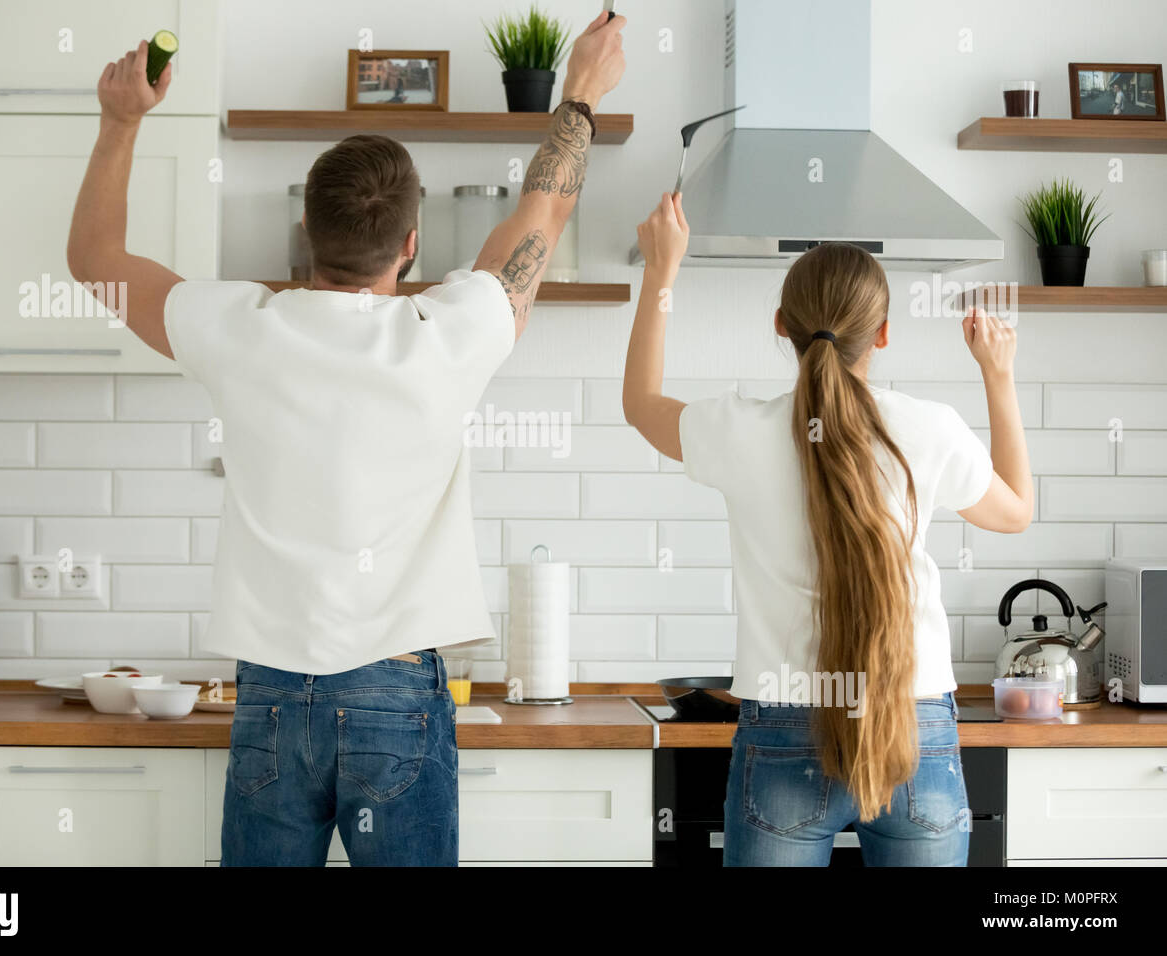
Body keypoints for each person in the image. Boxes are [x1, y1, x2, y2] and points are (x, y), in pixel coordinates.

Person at [65, 13, 626, 866]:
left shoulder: (238, 328)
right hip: (396, 697)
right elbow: (542, 211)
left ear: (304, 237)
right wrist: (580, 89)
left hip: (273, 704)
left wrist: (121, 119)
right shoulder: (452, 329)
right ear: (411, 245)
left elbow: (94, 256)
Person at [623, 194, 1033, 866]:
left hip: (785, 728)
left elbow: (640, 405)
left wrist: (662, 273)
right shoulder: (929, 428)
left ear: (781, 325)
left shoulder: (742, 428)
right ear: (883, 334)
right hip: (915, 722)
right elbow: (1015, 510)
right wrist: (999, 374)